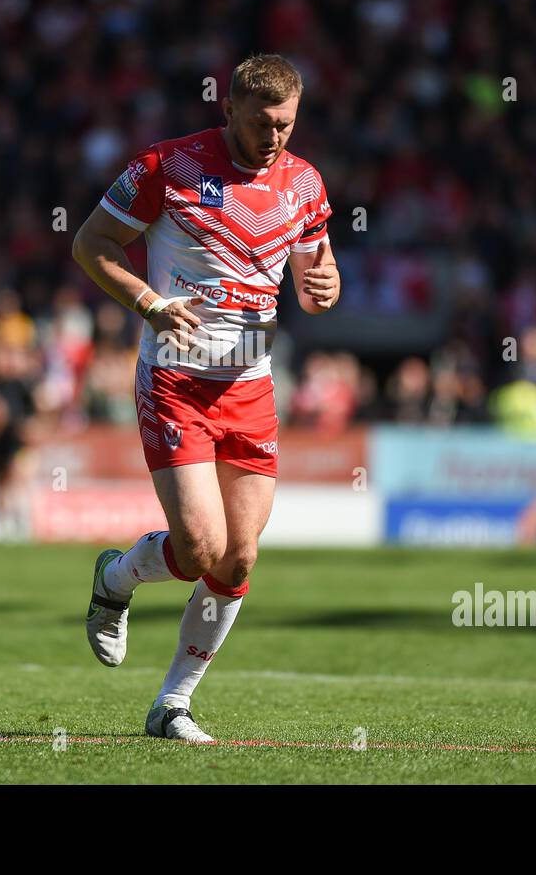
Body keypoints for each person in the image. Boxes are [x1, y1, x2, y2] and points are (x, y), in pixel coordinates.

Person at [71, 53, 341, 741]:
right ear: (229, 108)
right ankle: (118, 577)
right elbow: (92, 243)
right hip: (177, 381)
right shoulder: (169, 167)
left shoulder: (305, 184)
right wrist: (150, 302)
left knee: (239, 557)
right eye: (260, 123)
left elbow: (317, 261)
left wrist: (324, 282)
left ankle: (172, 704)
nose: (273, 137)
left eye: (285, 124)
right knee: (198, 547)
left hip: (250, 387)